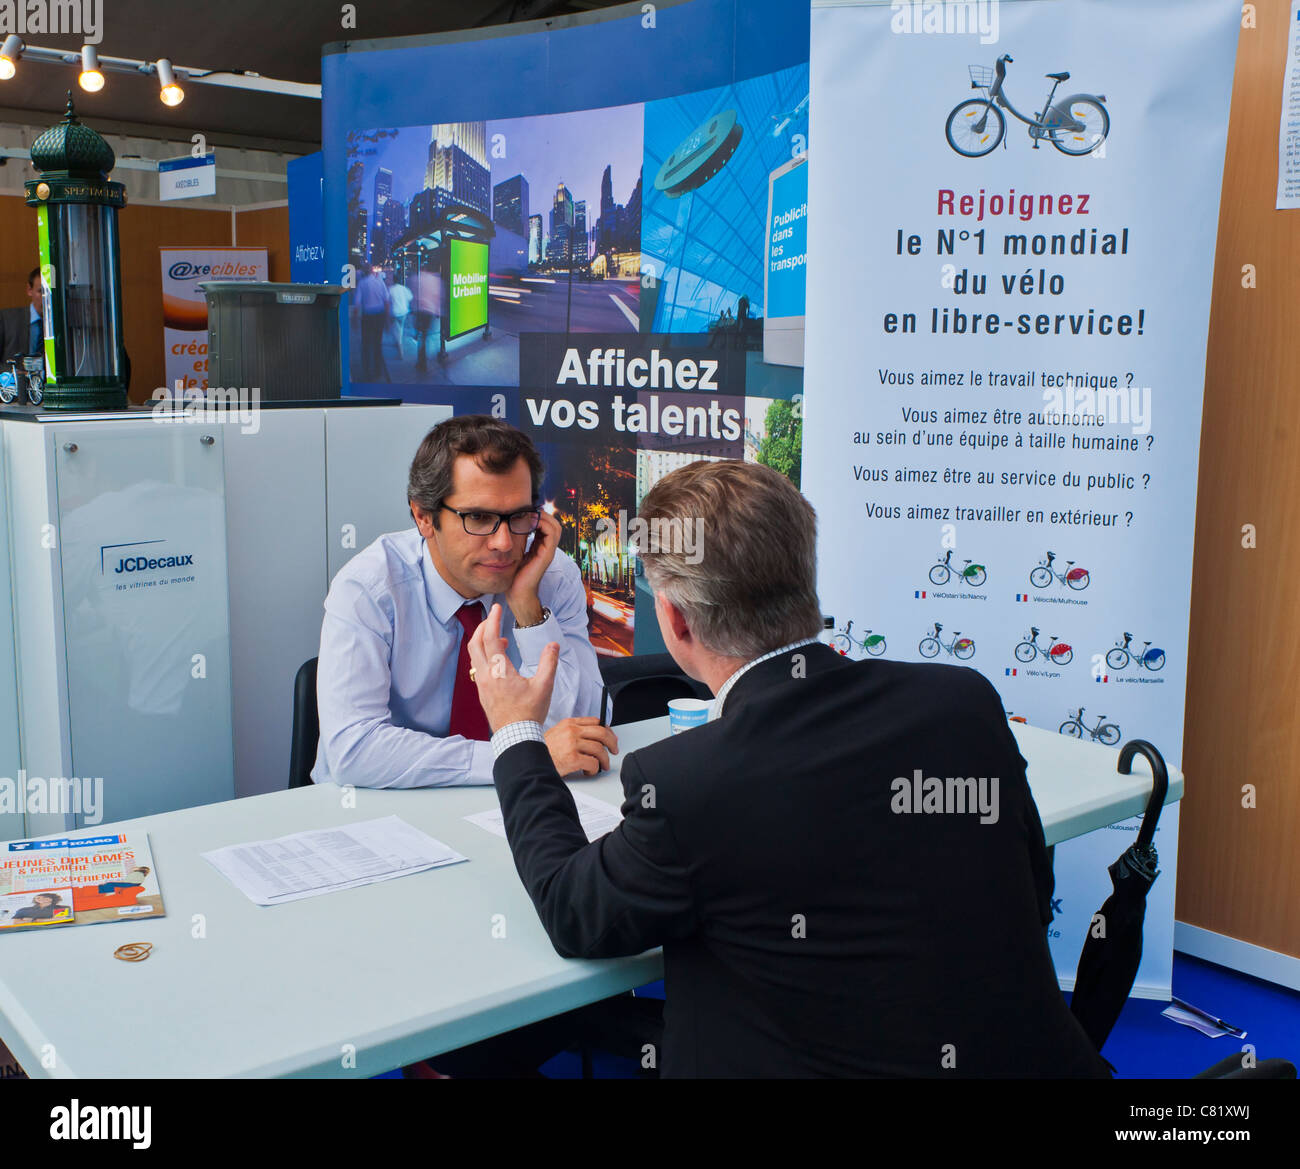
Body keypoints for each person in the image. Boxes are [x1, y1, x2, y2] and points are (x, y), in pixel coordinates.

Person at [469, 460, 1112, 1078]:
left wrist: (516, 732)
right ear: (805, 575)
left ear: (674, 617)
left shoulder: (688, 784)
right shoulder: (964, 701)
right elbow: (1029, 879)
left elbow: (573, 913)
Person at [312, 414, 615, 790]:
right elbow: (354, 751)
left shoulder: (550, 575)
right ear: (424, 517)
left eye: (519, 516)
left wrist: (528, 610)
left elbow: (585, 730)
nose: (504, 542)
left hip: (503, 809)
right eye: (479, 517)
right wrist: (518, 758)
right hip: (380, 810)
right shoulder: (369, 588)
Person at [0, 268, 43, 365]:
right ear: (29, 290)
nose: (46, 297)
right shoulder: (6, 319)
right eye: (41, 291)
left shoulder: (60, 325)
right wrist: (12, 373)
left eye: (50, 292)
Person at [356, 266, 391, 382]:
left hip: (367, 317)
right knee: (377, 343)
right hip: (379, 315)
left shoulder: (361, 283)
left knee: (366, 344)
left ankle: (367, 371)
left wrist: (354, 320)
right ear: (373, 273)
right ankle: (377, 370)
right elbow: (386, 301)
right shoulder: (380, 283)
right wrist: (387, 318)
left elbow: (357, 303)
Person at [388, 277, 413, 362]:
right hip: (404, 312)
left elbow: (387, 301)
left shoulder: (390, 289)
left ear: (393, 281)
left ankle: (400, 351)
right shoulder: (404, 288)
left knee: (396, 331)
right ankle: (398, 341)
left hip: (394, 313)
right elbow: (410, 298)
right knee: (400, 329)